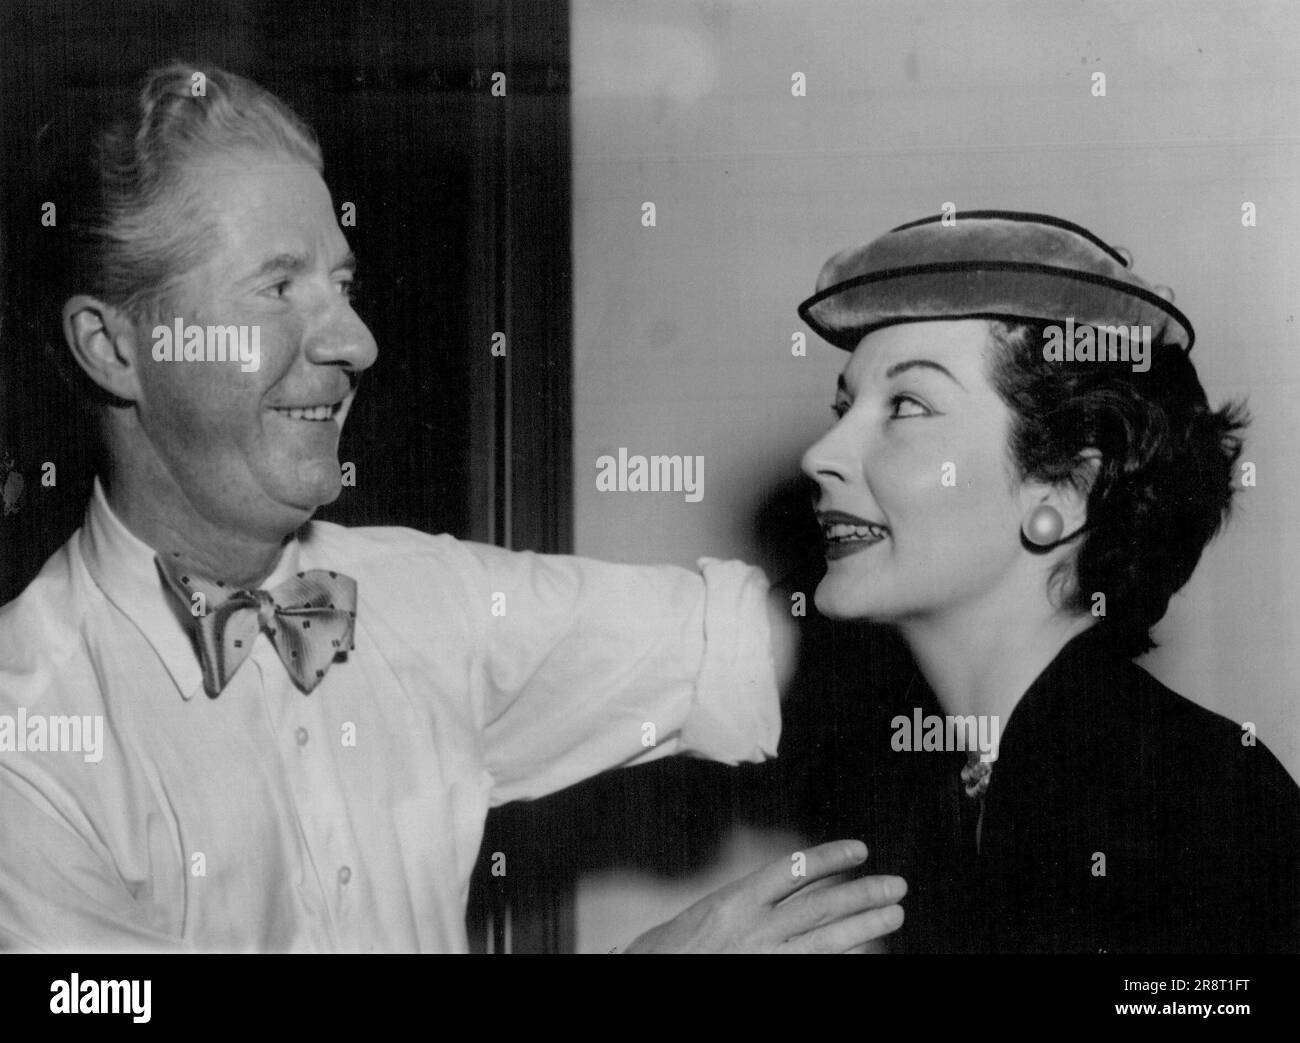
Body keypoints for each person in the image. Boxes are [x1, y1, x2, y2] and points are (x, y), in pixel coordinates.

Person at [0, 63, 907, 954]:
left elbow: (740, 646)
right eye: (278, 288)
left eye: (343, 285)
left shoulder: (424, 600)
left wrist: (963, 467)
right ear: (114, 348)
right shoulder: (28, 736)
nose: (356, 342)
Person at [796, 210, 1300, 953]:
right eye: (844, 408)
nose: (820, 455)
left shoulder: (1194, 798)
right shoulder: (949, 790)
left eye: (905, 406)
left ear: (1064, 491)